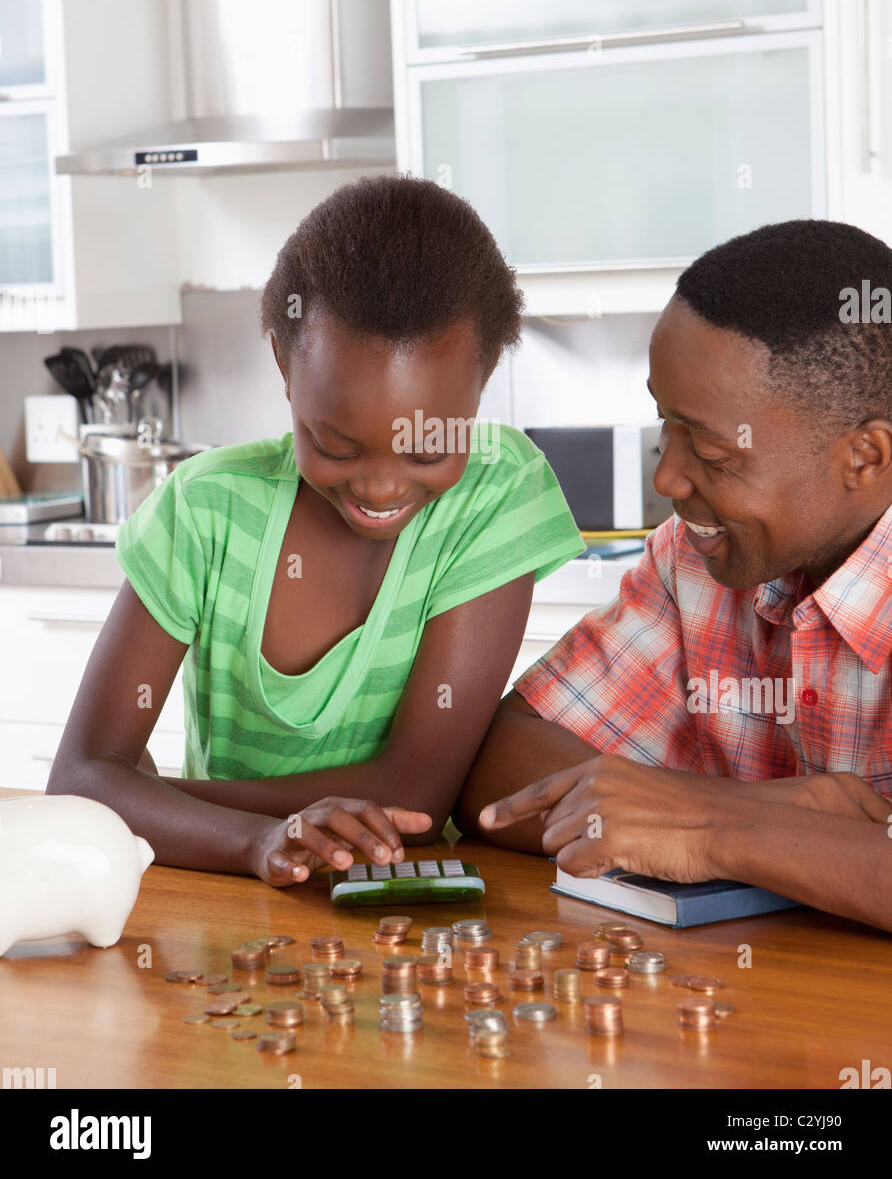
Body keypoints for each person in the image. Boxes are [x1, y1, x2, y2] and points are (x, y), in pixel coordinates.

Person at [48, 175, 583, 885]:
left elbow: (415, 796)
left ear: (482, 383)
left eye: (427, 450)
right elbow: (81, 780)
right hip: (225, 910)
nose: (381, 488)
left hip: (412, 914)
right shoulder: (206, 509)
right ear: (282, 364)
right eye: (335, 445)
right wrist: (255, 841)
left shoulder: (497, 495)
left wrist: (152, 803)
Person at [455, 219, 892, 933]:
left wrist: (708, 828)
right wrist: (783, 822)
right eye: (667, 424)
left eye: (716, 456)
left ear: (865, 457)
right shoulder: (695, 559)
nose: (668, 478)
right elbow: (499, 771)